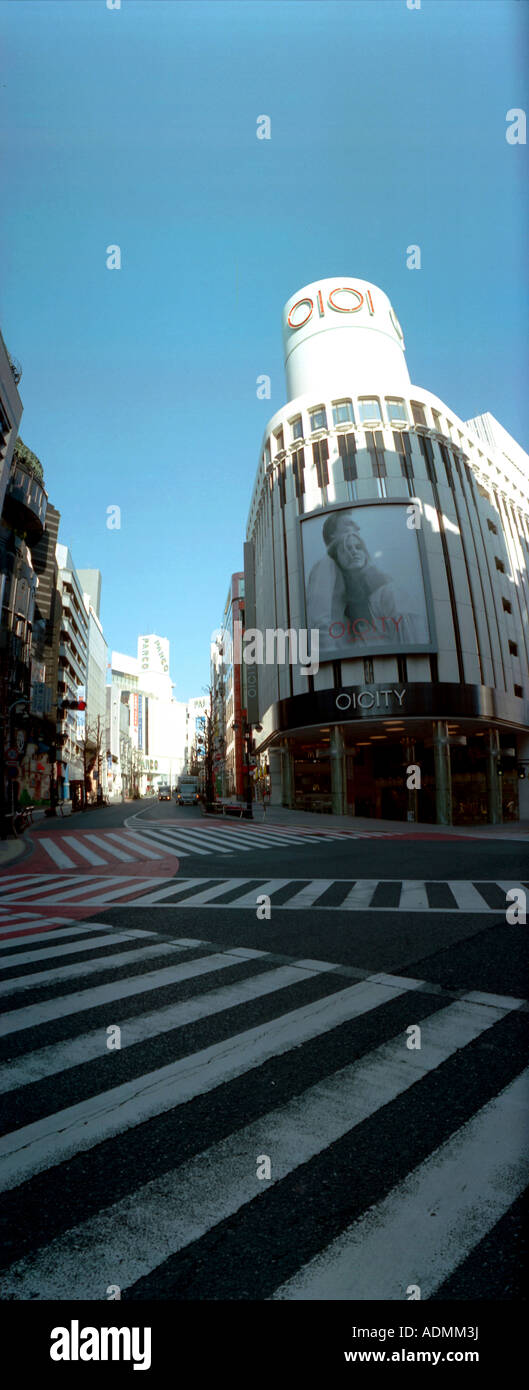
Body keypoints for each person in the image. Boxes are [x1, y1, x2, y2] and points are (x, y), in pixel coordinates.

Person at [306, 511, 427, 656]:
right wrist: (329, 655)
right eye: (348, 524)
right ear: (333, 534)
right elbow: (319, 619)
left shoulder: (378, 584)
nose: (356, 527)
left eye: (358, 548)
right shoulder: (326, 565)